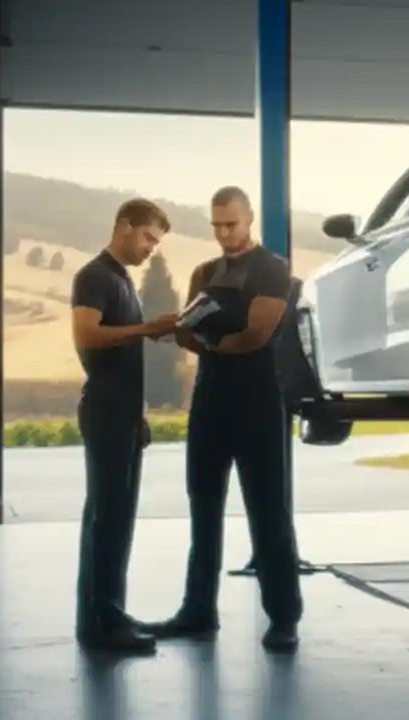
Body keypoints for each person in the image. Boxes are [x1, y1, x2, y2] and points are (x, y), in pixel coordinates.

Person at [140, 186, 303, 652]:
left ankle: (284, 618)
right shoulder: (204, 272)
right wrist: (204, 337)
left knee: (268, 511)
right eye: (216, 225)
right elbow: (185, 335)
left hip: (258, 402)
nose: (224, 233)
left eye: (231, 224)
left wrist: (209, 339)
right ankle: (197, 612)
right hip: (210, 400)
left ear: (249, 219)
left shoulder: (272, 269)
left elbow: (255, 334)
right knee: (204, 506)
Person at [71, 198, 179, 655]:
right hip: (105, 410)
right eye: (148, 237)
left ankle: (110, 612)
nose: (151, 248)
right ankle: (100, 625)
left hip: (122, 414)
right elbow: (86, 334)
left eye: (157, 242)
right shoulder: (95, 276)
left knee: (116, 519)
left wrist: (137, 417)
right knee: (106, 519)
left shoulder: (121, 280)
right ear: (124, 226)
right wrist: (144, 329)